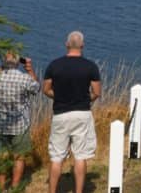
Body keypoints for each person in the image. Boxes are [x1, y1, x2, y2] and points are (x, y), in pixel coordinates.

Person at [43, 31, 101, 193]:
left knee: (56, 157)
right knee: (80, 156)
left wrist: (58, 96)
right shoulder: (90, 66)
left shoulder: (54, 65)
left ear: (67, 44)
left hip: (61, 114)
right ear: (82, 45)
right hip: (82, 113)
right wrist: (86, 99)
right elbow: (97, 92)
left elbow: (46, 89)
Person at [0, 52, 40, 191]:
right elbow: (36, 88)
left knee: (1, 157)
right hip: (19, 124)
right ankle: (15, 187)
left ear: (4, 62)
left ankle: (1, 188)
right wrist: (29, 69)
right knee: (19, 157)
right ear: (18, 63)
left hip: (0, 125)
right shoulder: (24, 79)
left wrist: (1, 68)